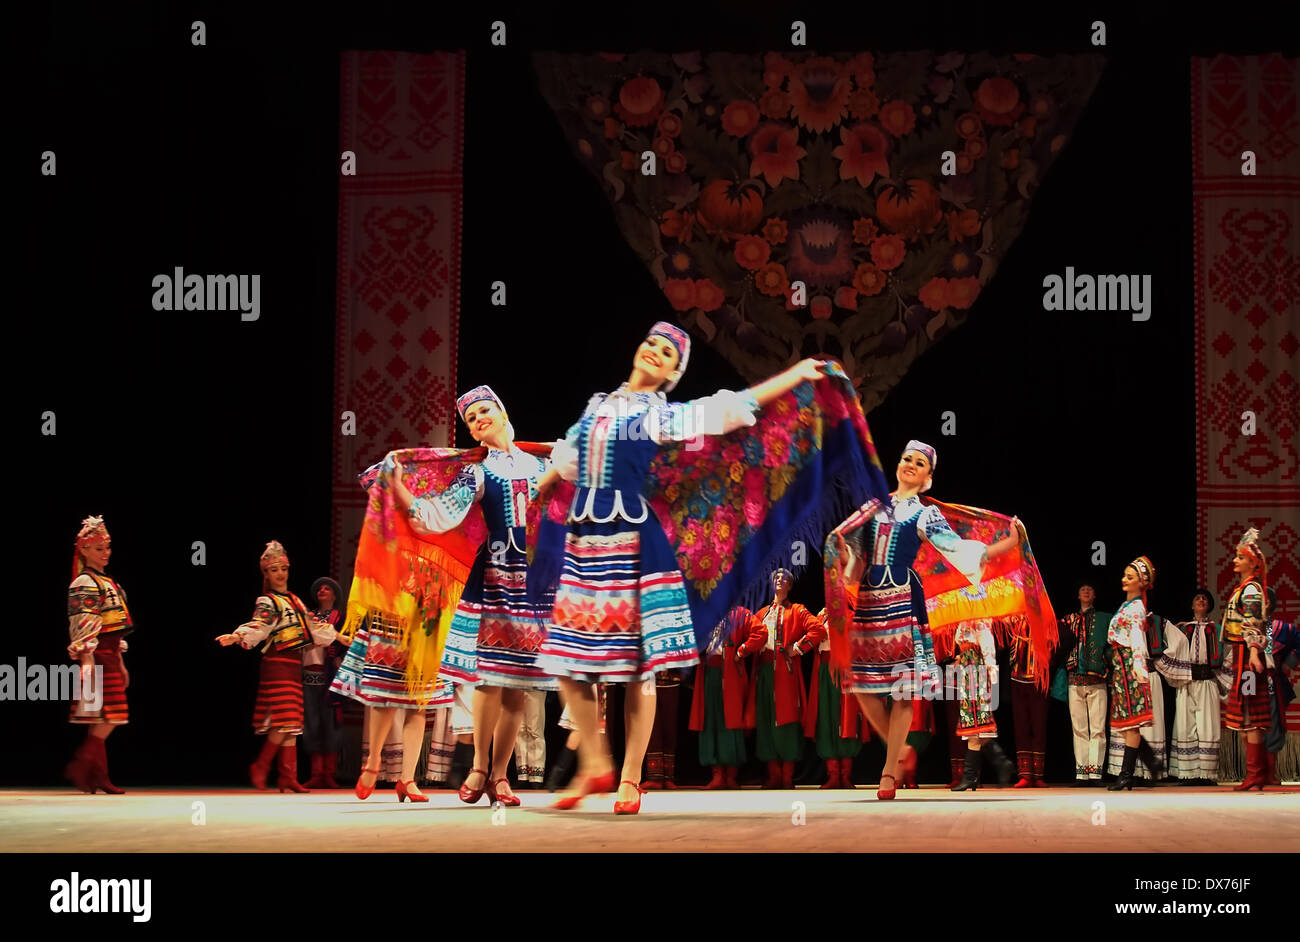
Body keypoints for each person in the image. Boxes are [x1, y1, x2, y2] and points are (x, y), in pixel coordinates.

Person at [533, 321, 837, 813]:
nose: (655, 351)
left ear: (674, 372)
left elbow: (735, 409)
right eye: (651, 342)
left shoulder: (664, 417)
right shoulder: (596, 407)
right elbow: (566, 460)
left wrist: (796, 375)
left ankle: (630, 778)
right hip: (587, 540)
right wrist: (538, 486)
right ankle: (594, 764)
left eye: (668, 352)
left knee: (637, 666)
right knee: (568, 661)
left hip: (634, 540)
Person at [826, 441, 1028, 799]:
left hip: (904, 599)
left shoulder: (925, 515)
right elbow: (854, 560)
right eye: (907, 459)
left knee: (902, 689)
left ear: (927, 479)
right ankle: (897, 746)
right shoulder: (872, 508)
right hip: (871, 600)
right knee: (859, 683)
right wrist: (842, 564)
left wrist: (1008, 543)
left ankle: (888, 774)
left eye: (919, 464)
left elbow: (961, 551)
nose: (910, 465)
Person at [386, 385, 556, 807]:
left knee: (519, 684)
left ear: (501, 413)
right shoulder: (477, 472)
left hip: (535, 582)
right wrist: (399, 488)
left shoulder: (543, 462)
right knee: (491, 680)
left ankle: (501, 776)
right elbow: (437, 516)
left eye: (485, 411)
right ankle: (480, 765)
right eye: (471, 418)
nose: (480, 419)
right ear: (473, 433)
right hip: (498, 578)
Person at [216, 541, 337, 793]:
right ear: (266, 574)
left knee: (292, 725)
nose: (280, 573)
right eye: (274, 570)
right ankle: (261, 765)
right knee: (286, 720)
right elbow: (259, 625)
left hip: (294, 665)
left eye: (283, 568)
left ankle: (287, 777)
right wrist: (237, 636)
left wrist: (344, 638)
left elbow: (314, 629)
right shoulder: (268, 602)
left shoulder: (295, 600)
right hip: (277, 664)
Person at [64, 516, 133, 795]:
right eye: (98, 548)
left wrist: (122, 662)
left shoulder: (109, 582)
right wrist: (86, 659)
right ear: (83, 550)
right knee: (112, 716)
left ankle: (98, 776)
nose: (106, 553)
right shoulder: (84, 582)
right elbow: (83, 623)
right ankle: (82, 764)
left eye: (107, 547)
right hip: (97, 656)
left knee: (101, 717)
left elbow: (114, 628)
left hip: (111, 655)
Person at [1218, 528, 1274, 790]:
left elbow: (1253, 623)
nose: (1234, 561)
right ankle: (1256, 774)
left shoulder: (1251, 590)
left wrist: (1253, 654)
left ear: (1252, 562)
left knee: (1251, 713)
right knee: (1247, 714)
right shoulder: (1245, 587)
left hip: (1248, 658)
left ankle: (1256, 774)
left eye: (1239, 558)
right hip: (1242, 656)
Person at [1106, 556, 1165, 790]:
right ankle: (1150, 762)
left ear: (1142, 583)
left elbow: (1138, 640)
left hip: (1130, 663)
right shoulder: (1128, 606)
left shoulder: (1137, 608)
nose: (1124, 579)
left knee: (1131, 723)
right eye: (1124, 575)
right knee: (1126, 723)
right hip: (1122, 665)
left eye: (1130, 577)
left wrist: (1138, 670)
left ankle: (1127, 774)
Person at [689, 607, 756, 789]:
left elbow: (760, 632)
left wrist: (742, 651)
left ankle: (731, 775)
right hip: (709, 672)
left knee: (731, 721)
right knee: (711, 720)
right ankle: (717, 774)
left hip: (731, 673)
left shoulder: (741, 613)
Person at [950, 618, 1015, 790]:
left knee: (977, 721)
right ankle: (999, 763)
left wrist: (990, 675)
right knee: (973, 724)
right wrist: (960, 658)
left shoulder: (980, 621)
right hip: (966, 670)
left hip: (977, 671)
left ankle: (972, 775)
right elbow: (964, 647)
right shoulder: (962, 621)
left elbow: (988, 648)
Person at [804, 606, 865, 789]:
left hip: (846, 669)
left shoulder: (852, 615)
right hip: (824, 669)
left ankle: (845, 774)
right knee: (826, 716)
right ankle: (832, 774)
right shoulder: (820, 616)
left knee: (847, 718)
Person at [1169, 588, 1221, 784]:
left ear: (1209, 606)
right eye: (1197, 598)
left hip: (1208, 681)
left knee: (1208, 725)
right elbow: (1170, 649)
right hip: (1187, 680)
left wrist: (1222, 680)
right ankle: (1189, 773)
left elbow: (1226, 655)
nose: (1201, 600)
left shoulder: (1216, 629)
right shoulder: (1183, 629)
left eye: (1205, 598)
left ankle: (1207, 773)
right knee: (1185, 725)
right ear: (1192, 605)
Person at [1061, 583, 1111, 785]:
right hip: (1075, 679)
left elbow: (1111, 645)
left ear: (1095, 595)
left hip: (1097, 679)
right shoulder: (1068, 620)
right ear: (1077, 595)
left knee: (1098, 728)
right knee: (1079, 728)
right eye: (1082, 589)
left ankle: (1095, 773)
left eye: (1090, 589)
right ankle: (1082, 773)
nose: (1086, 591)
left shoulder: (1104, 619)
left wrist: (1105, 662)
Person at [303, 576, 346, 788]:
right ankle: (316, 772)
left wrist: (338, 662)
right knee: (312, 722)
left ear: (334, 595)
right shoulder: (308, 616)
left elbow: (347, 643)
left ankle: (329, 773)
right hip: (309, 675)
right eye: (319, 588)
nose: (322, 590)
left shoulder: (340, 617)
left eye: (327, 588)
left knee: (331, 722)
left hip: (330, 675)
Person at [1007, 614, 1049, 787]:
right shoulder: (1013, 619)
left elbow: (1056, 641)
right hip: (1017, 677)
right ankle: (1025, 774)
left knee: (1039, 727)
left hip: (1038, 678)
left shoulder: (1044, 618)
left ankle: (1038, 774)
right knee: (1021, 727)